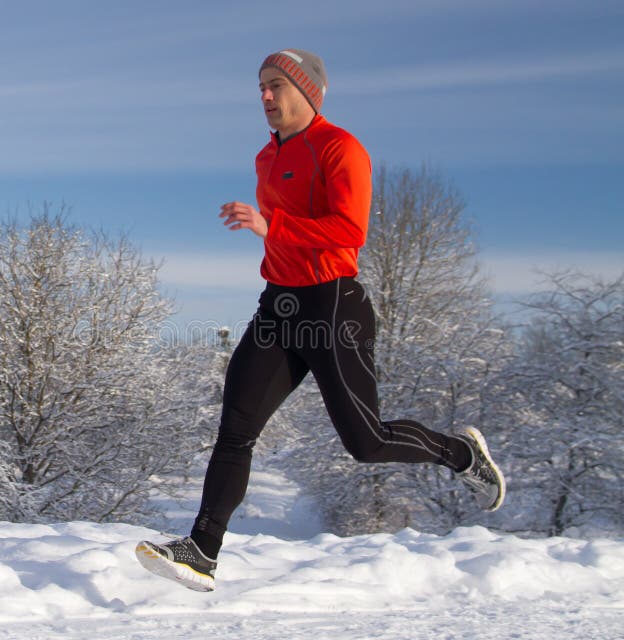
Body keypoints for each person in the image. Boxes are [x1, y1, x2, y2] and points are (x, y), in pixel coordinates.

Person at [135, 49, 505, 592]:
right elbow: (284, 233)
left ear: (308, 91)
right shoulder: (266, 158)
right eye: (260, 86)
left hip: (333, 306)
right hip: (279, 306)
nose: (265, 96)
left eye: (276, 85)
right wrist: (272, 243)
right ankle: (202, 551)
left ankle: (463, 454)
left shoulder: (342, 148)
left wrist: (271, 226)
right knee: (235, 429)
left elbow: (349, 231)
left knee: (367, 442)